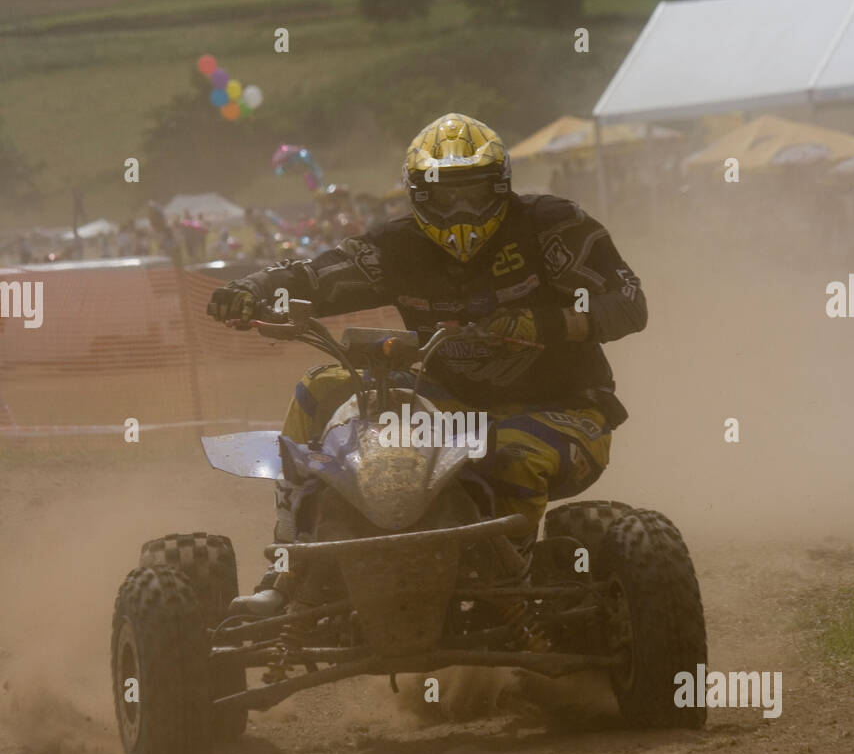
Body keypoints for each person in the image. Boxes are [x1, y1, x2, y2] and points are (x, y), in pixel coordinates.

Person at [207, 112, 647, 614]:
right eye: (444, 194)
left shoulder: (553, 227)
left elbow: (629, 303)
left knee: (512, 457)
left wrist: (542, 324)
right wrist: (253, 289)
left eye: (474, 192)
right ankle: (290, 563)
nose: (460, 209)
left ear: (501, 187)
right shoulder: (397, 247)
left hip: (562, 408)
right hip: (448, 409)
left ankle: (513, 593)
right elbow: (316, 274)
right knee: (320, 388)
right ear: (419, 195)